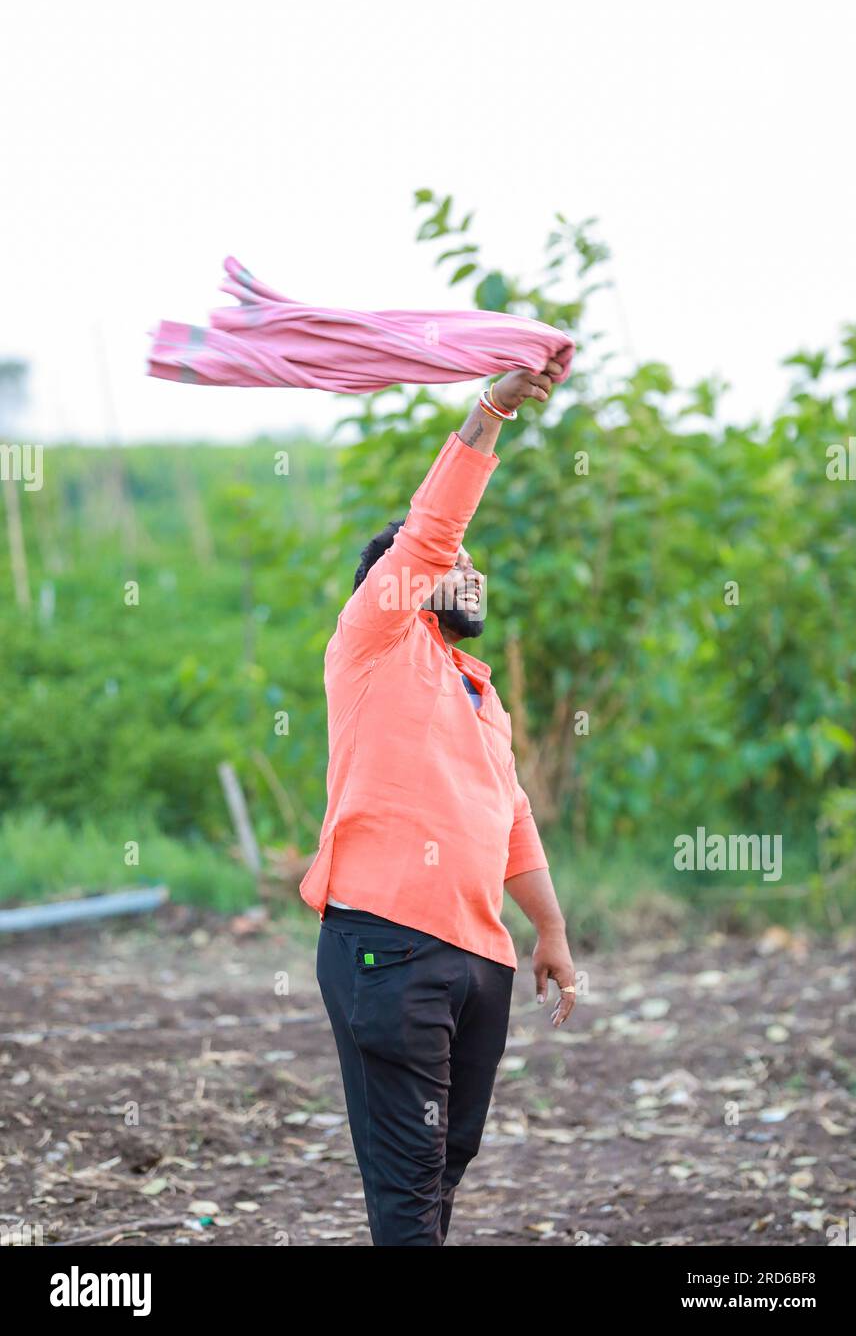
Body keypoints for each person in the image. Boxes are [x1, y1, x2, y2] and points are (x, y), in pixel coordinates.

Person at [300, 359, 576, 1245]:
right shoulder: (373, 643)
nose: (472, 571)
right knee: (409, 1183)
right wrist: (492, 410)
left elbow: (513, 813)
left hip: (476, 958)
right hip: (387, 944)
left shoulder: (477, 689)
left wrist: (551, 930)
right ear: (407, 582)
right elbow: (427, 533)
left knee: (445, 1164)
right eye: (458, 562)